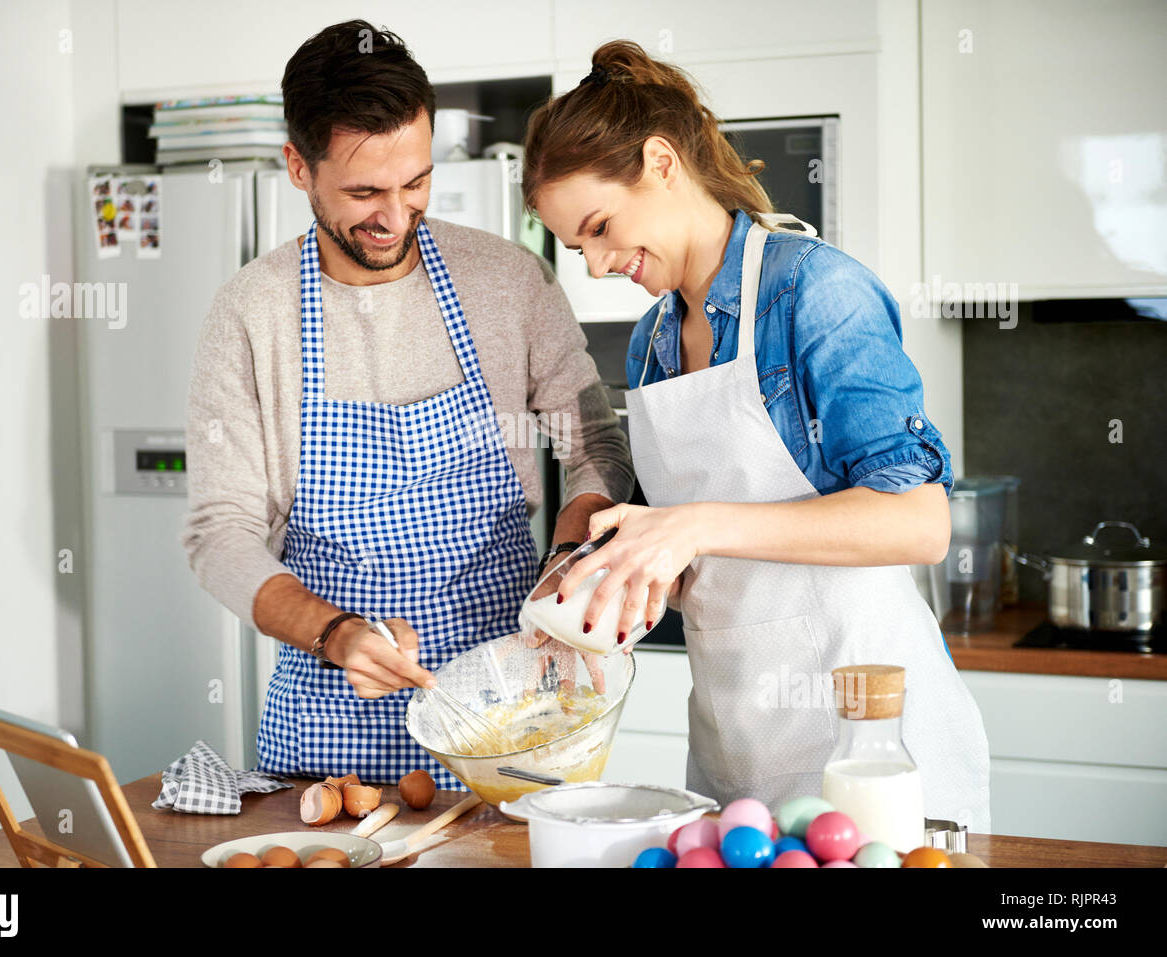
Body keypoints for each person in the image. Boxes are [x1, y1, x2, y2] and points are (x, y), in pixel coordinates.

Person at [521, 41, 991, 832]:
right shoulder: (653, 343)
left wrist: (693, 524)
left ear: (662, 161)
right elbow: (695, 556)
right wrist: (610, 588)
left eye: (600, 227)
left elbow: (920, 521)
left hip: (868, 750)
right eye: (577, 248)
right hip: (735, 752)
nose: (597, 265)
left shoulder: (815, 291)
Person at [181, 21, 632, 790]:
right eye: (363, 192)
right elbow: (219, 534)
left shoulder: (506, 280)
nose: (394, 216)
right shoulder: (251, 313)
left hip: (512, 706)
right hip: (329, 725)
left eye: (414, 183)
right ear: (299, 166)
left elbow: (593, 441)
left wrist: (566, 565)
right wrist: (334, 632)